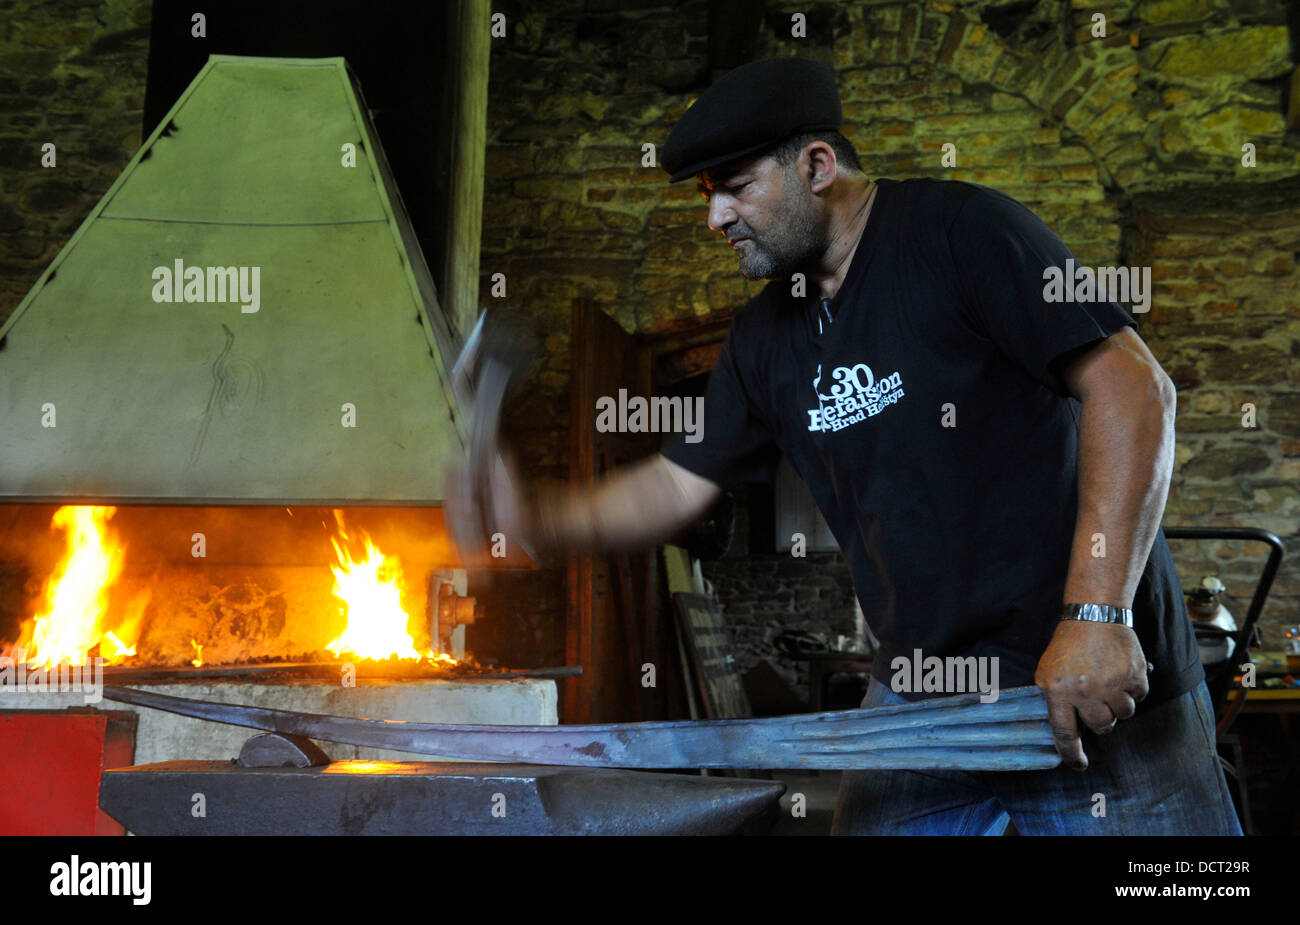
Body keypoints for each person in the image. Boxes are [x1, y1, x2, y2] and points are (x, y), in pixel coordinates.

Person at [471, 57, 1241, 835]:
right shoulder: (762, 340)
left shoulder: (964, 233)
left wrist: (1097, 615)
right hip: (921, 699)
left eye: (736, 187)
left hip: (1083, 680)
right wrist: (537, 516)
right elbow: (674, 487)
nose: (717, 219)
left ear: (816, 165)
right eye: (708, 198)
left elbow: (1133, 387)